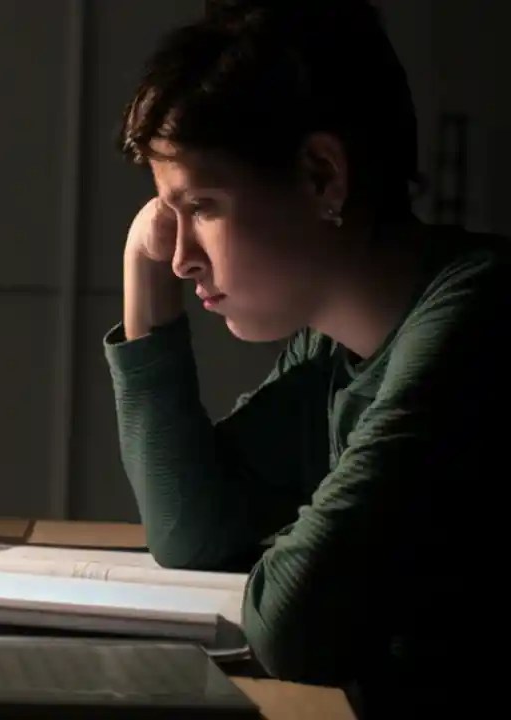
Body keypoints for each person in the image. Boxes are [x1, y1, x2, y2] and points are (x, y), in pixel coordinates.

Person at [104, 0, 509, 716]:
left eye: (200, 206)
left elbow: (295, 624)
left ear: (323, 177)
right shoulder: (333, 345)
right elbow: (192, 534)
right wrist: (143, 276)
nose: (180, 257)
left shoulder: (476, 319)